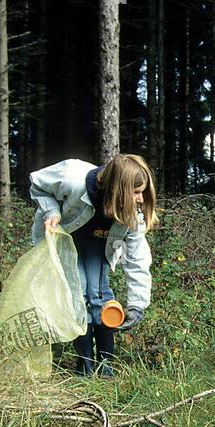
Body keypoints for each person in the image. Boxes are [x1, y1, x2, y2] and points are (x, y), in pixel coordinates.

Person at [28, 154, 158, 377]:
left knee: (100, 295)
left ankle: (105, 365)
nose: (140, 199)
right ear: (118, 189)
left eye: (143, 192)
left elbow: (137, 259)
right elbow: (38, 182)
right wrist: (52, 212)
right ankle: (85, 364)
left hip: (97, 244)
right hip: (67, 239)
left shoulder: (133, 214)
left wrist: (137, 304)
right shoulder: (72, 176)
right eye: (136, 192)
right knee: (79, 295)